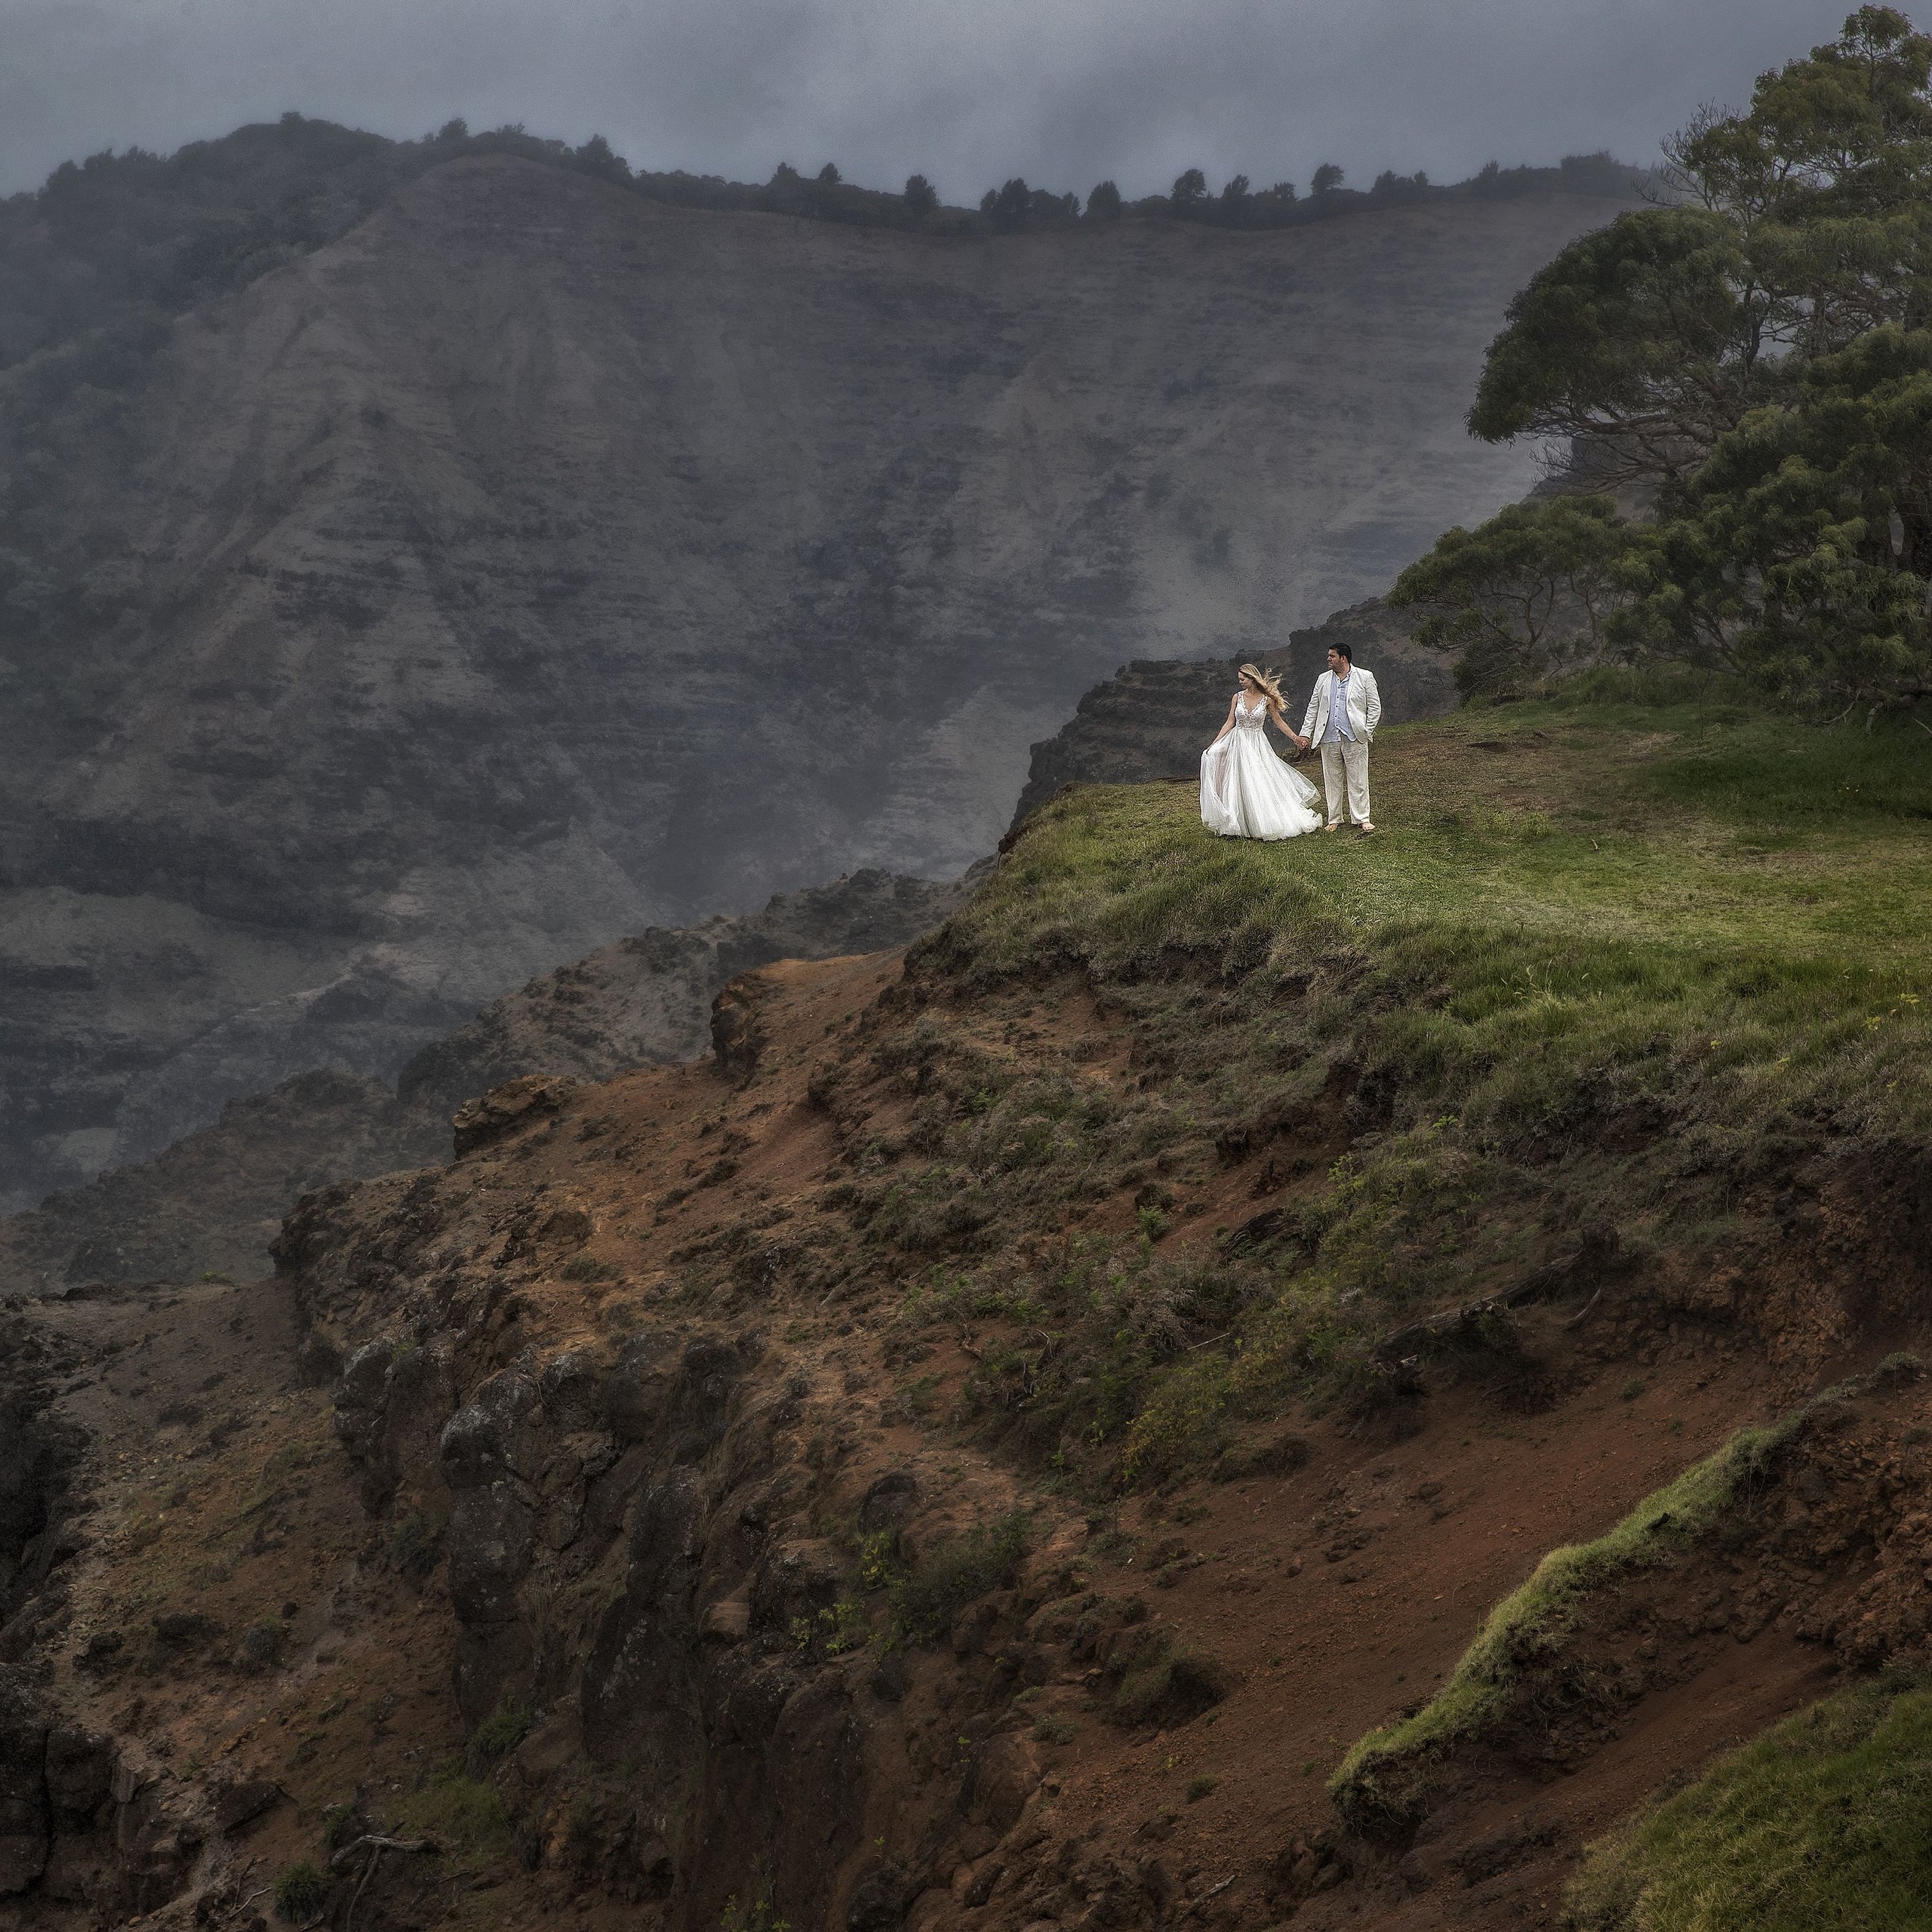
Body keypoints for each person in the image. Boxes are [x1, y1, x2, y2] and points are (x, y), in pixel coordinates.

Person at [1200, 663, 1323, 840]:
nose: (1240, 682)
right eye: (1239, 680)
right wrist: (1214, 744)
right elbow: (1229, 722)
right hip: (1238, 741)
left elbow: (1279, 721)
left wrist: (1295, 738)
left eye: (1243, 679)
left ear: (1252, 679)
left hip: (1257, 743)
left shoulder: (1267, 699)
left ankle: (1257, 822)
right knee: (1236, 781)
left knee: (1256, 781)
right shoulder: (1237, 697)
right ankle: (1234, 824)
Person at [1293, 642, 1381, 835]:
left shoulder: (1365, 677)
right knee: (1332, 779)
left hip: (1355, 736)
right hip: (1328, 736)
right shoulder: (1323, 679)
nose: (1328, 659)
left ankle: (1362, 818)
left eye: (1332, 656)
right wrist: (1305, 734)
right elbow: (1313, 708)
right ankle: (1334, 819)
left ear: (1343, 658)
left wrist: (1367, 731)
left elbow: (1375, 707)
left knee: (1358, 778)